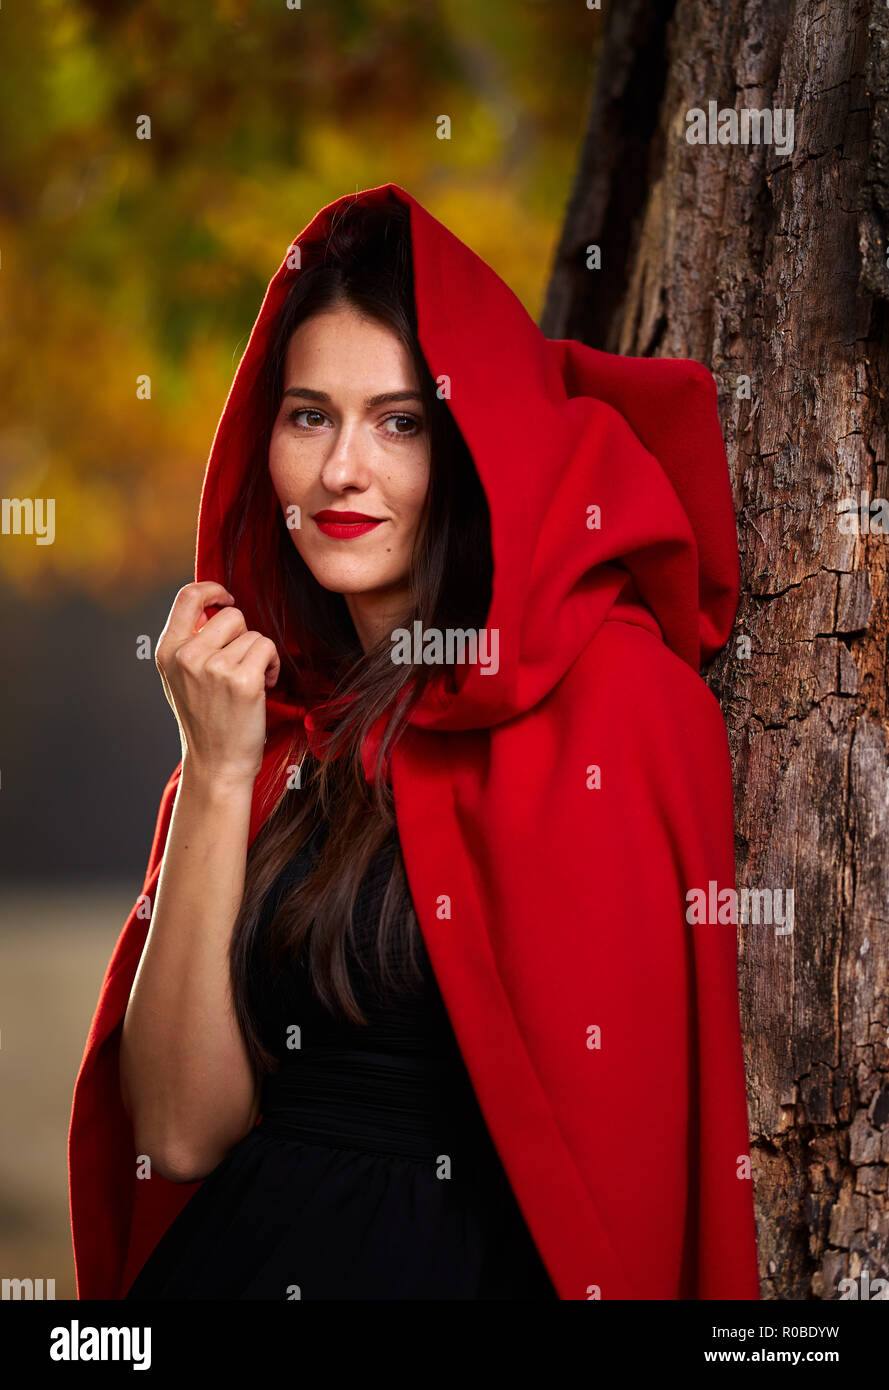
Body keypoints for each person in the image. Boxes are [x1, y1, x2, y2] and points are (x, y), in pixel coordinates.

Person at [68, 182, 761, 1302]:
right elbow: (184, 1134)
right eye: (309, 415)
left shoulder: (617, 702)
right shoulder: (274, 736)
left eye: (400, 421)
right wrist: (215, 773)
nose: (344, 469)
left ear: (471, 443)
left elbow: (634, 1171)